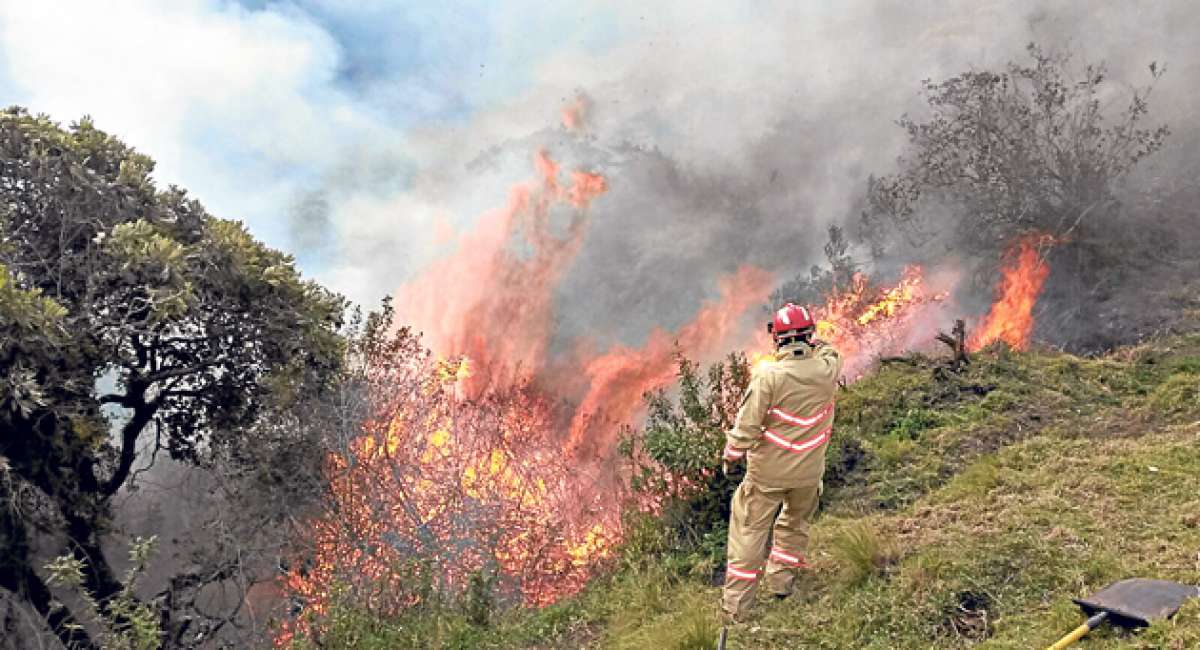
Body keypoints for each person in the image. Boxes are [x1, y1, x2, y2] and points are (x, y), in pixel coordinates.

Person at [720, 303, 843, 622]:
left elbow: (746, 427)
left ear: (776, 338)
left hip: (768, 476)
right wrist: (812, 340)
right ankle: (782, 584)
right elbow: (829, 349)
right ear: (809, 335)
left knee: (749, 532)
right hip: (809, 473)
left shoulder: (768, 377)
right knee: (794, 525)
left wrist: (731, 455)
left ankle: (737, 607)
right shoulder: (828, 368)